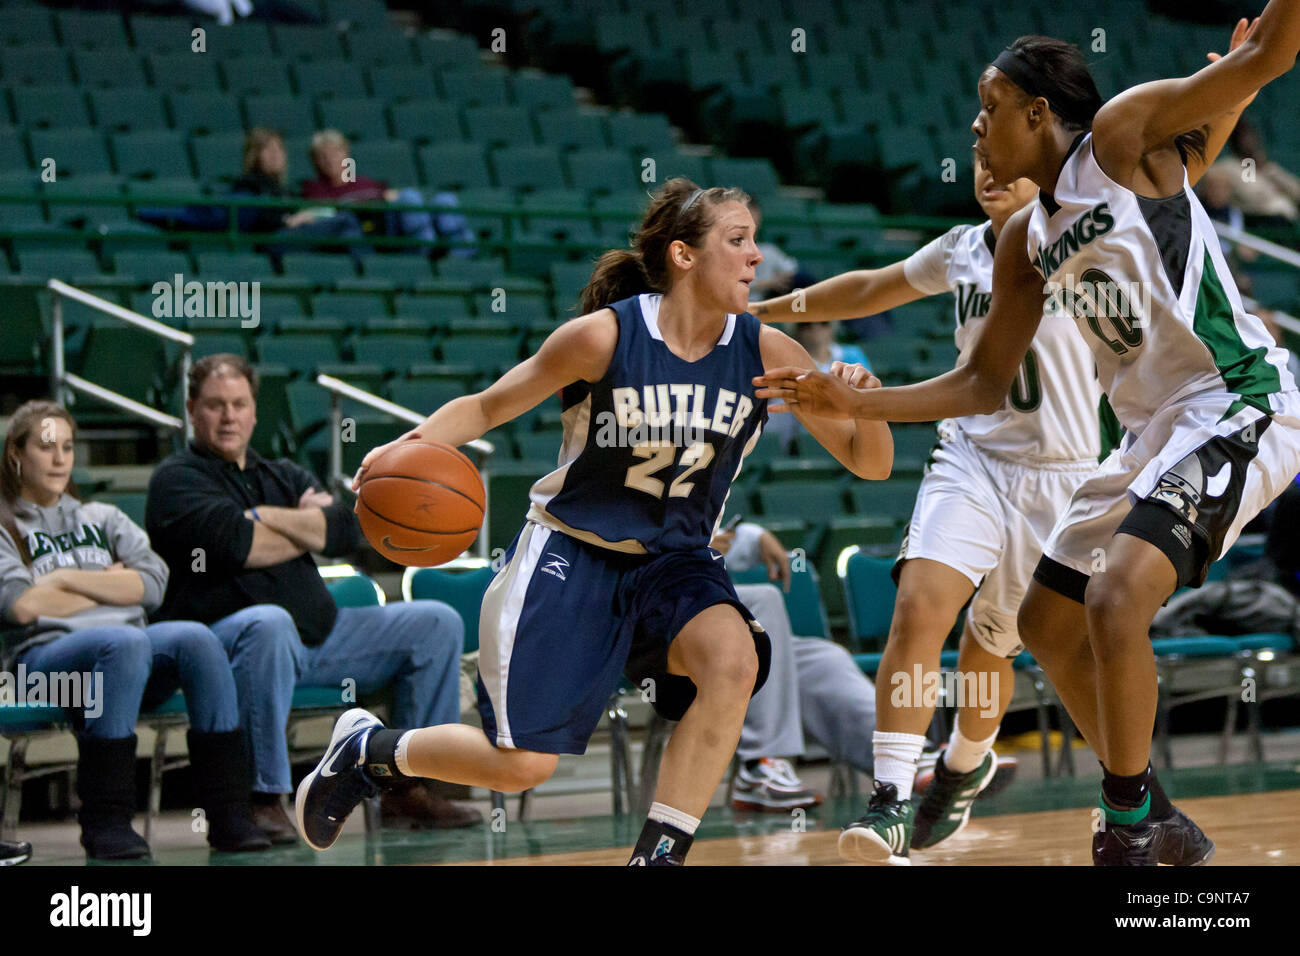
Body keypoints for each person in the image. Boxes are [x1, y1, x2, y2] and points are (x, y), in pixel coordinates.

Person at [756, 11, 1300, 865]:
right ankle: (1158, 815)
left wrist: (1253, 55)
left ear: (1041, 114)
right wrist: (851, 402)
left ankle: (1126, 822)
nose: (976, 127)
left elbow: (1267, 58)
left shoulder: (1119, 140)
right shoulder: (1021, 238)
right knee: (1048, 622)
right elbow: (977, 384)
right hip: (1144, 434)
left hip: (1235, 399)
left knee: (1115, 598)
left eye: (991, 106)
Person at [294, 178, 893, 864]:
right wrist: (405, 448)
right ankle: (371, 751)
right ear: (684, 256)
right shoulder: (606, 337)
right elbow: (489, 407)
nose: (757, 257)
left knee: (733, 659)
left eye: (755, 241)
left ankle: (658, 856)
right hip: (573, 556)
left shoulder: (767, 353)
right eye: (738, 240)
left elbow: (868, 465)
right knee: (522, 766)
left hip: (675, 564)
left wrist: (862, 406)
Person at [145, 355, 479, 841]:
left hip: (323, 637)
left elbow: (344, 529)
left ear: (255, 412)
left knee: (436, 622)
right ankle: (265, 798)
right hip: (230, 641)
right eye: (216, 405)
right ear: (193, 409)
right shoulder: (175, 479)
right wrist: (300, 527)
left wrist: (261, 518)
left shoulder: (282, 471)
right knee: (269, 623)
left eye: (239, 404)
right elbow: (235, 545)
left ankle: (409, 789)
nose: (229, 416)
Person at [0, 401, 269, 859]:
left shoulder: (103, 518)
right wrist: (111, 584)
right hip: (44, 661)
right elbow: (22, 606)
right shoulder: (5, 526)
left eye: (68, 446)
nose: (61, 458)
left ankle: (228, 814)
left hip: (129, 656)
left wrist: (62, 581)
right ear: (16, 456)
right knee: (123, 640)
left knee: (197, 638)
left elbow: (154, 584)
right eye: (47, 447)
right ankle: (106, 821)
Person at [713, 520, 873, 810]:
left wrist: (752, 536)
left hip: (724, 636)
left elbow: (714, 535)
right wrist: (691, 559)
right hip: (661, 626)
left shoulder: (695, 483)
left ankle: (899, 761)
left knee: (824, 659)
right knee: (764, 599)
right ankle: (760, 766)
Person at [301, 129, 477, 258]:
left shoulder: (365, 182)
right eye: (322, 155)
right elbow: (320, 214)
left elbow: (390, 196)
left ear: (346, 153)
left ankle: (457, 260)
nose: (329, 159)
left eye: (335, 153)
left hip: (394, 219)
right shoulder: (314, 188)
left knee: (446, 200)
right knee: (410, 198)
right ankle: (422, 251)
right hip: (373, 232)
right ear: (315, 161)